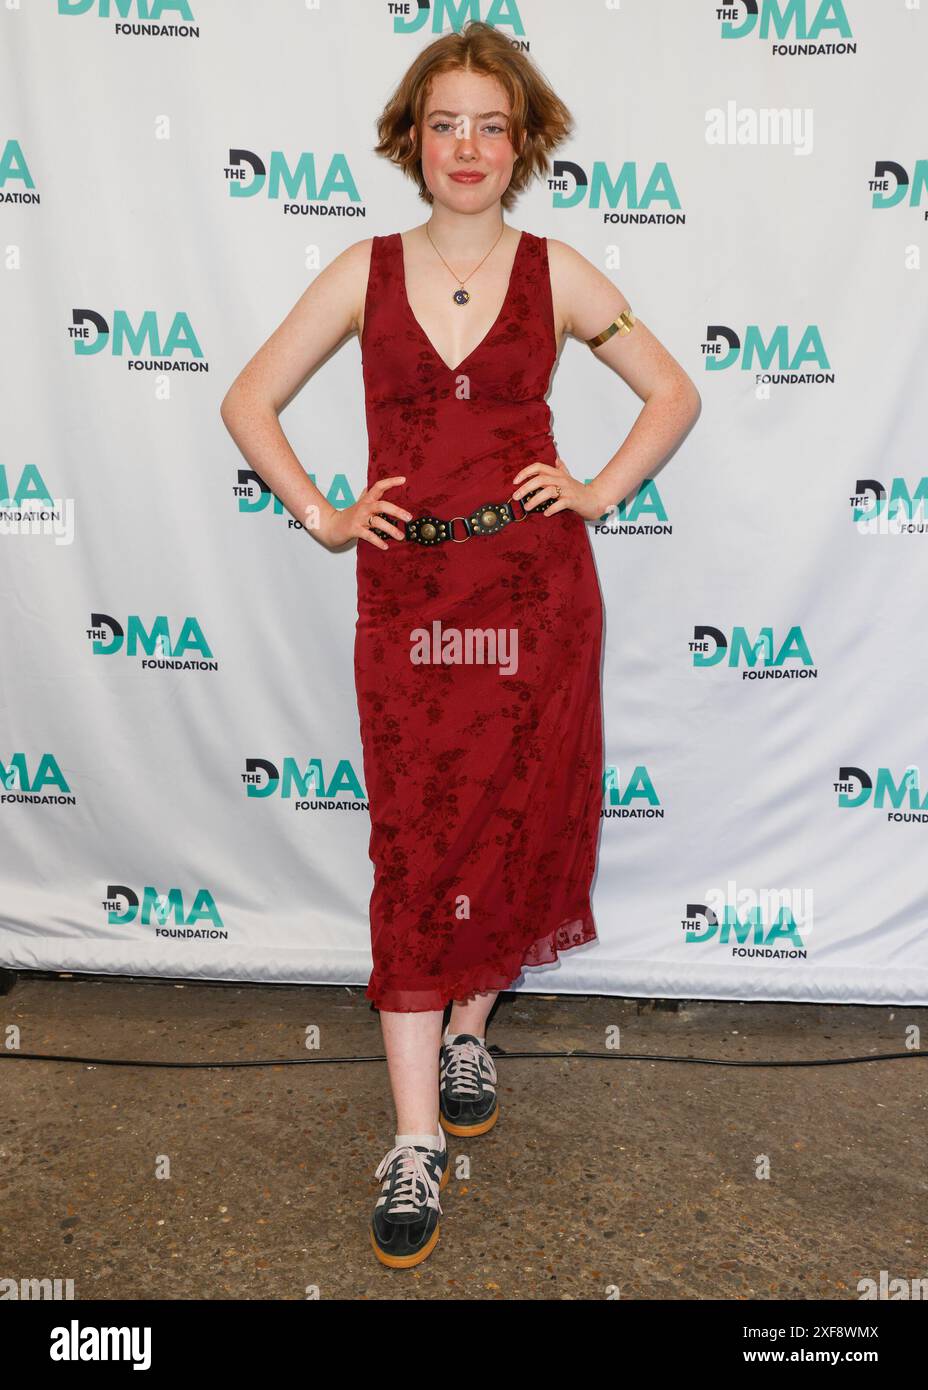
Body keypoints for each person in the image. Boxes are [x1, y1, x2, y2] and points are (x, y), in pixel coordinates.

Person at [220, 20, 700, 1271]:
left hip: (536, 595)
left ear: (523, 142)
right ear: (412, 140)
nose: (469, 146)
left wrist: (596, 488)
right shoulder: (360, 271)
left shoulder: (560, 273)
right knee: (417, 844)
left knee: (515, 824)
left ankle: (470, 1023)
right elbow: (246, 400)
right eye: (447, 123)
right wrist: (324, 515)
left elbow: (674, 392)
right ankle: (414, 1142)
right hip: (410, 604)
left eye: (493, 123)